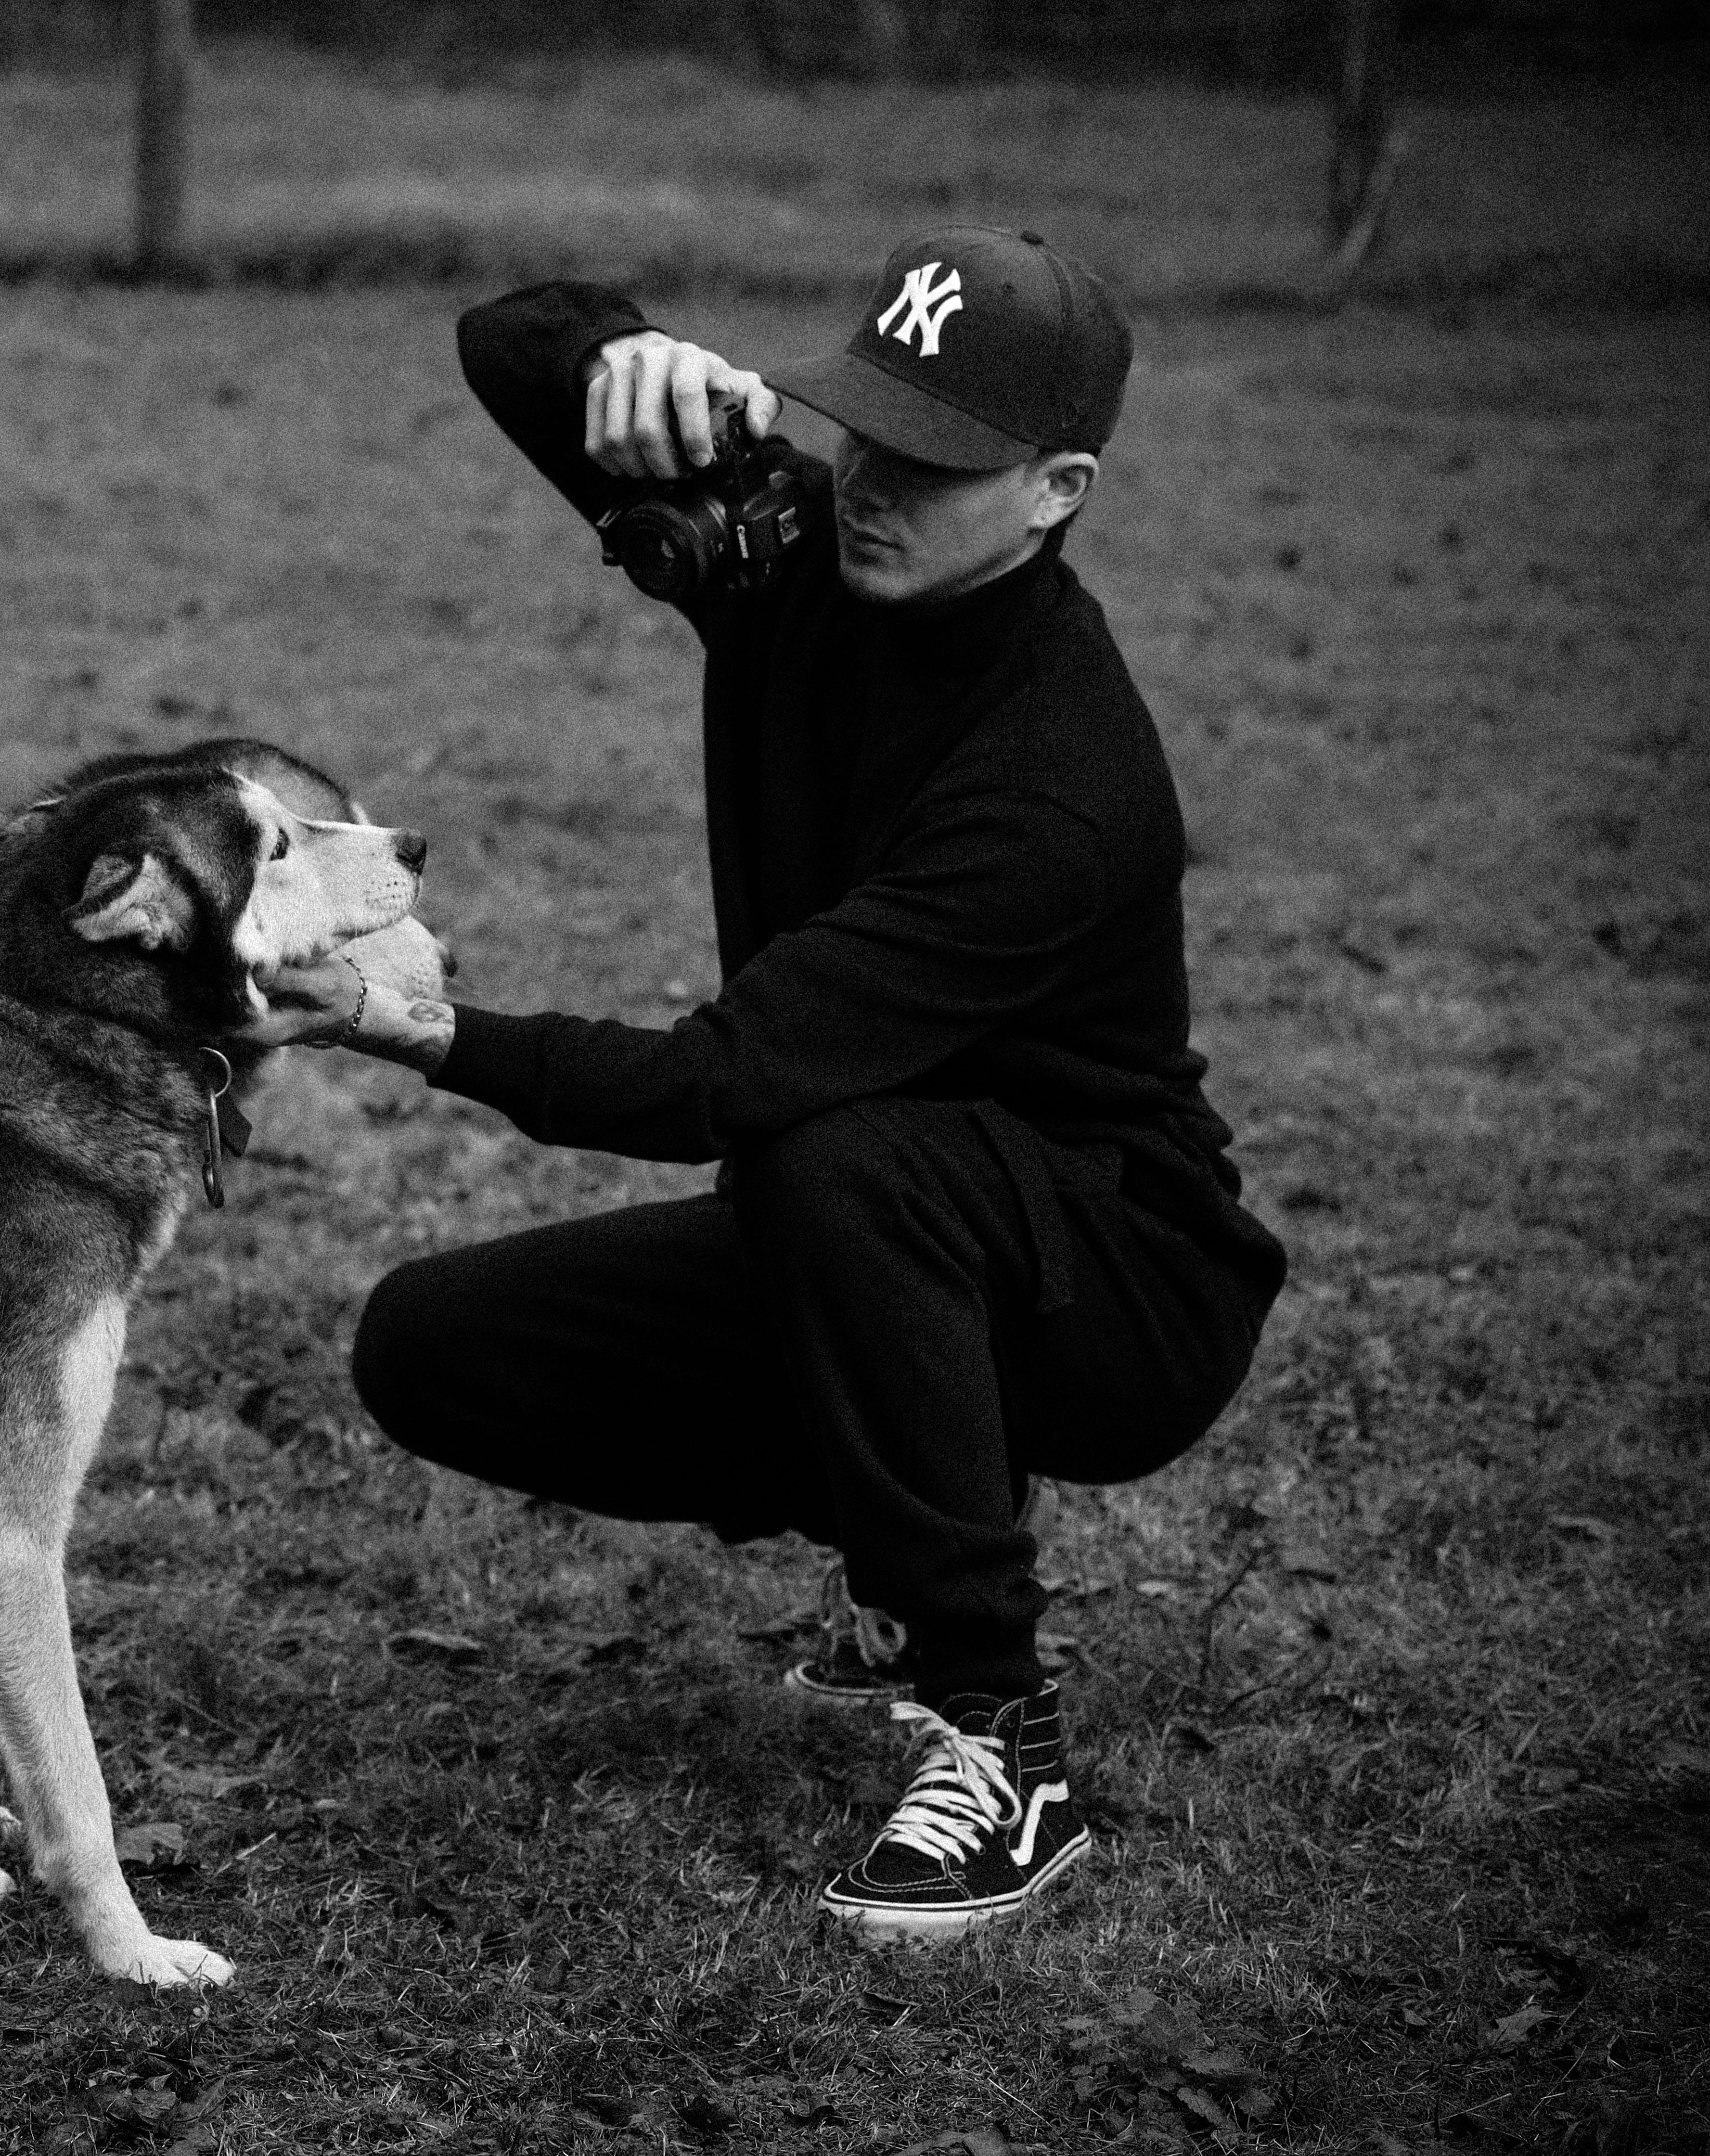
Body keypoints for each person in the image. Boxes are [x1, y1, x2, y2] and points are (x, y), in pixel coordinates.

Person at [261, 228, 1286, 1940]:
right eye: (859, 426)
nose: (871, 485)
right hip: (883, 1234)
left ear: (1055, 490)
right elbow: (502, 337)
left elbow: (722, 1085)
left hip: (1123, 1283)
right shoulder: (802, 542)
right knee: (432, 1347)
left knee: (834, 1149)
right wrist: (624, 363)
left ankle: (994, 1729)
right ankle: (923, 1490)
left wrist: (418, 1025)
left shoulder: (1058, 787)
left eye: (935, 462)